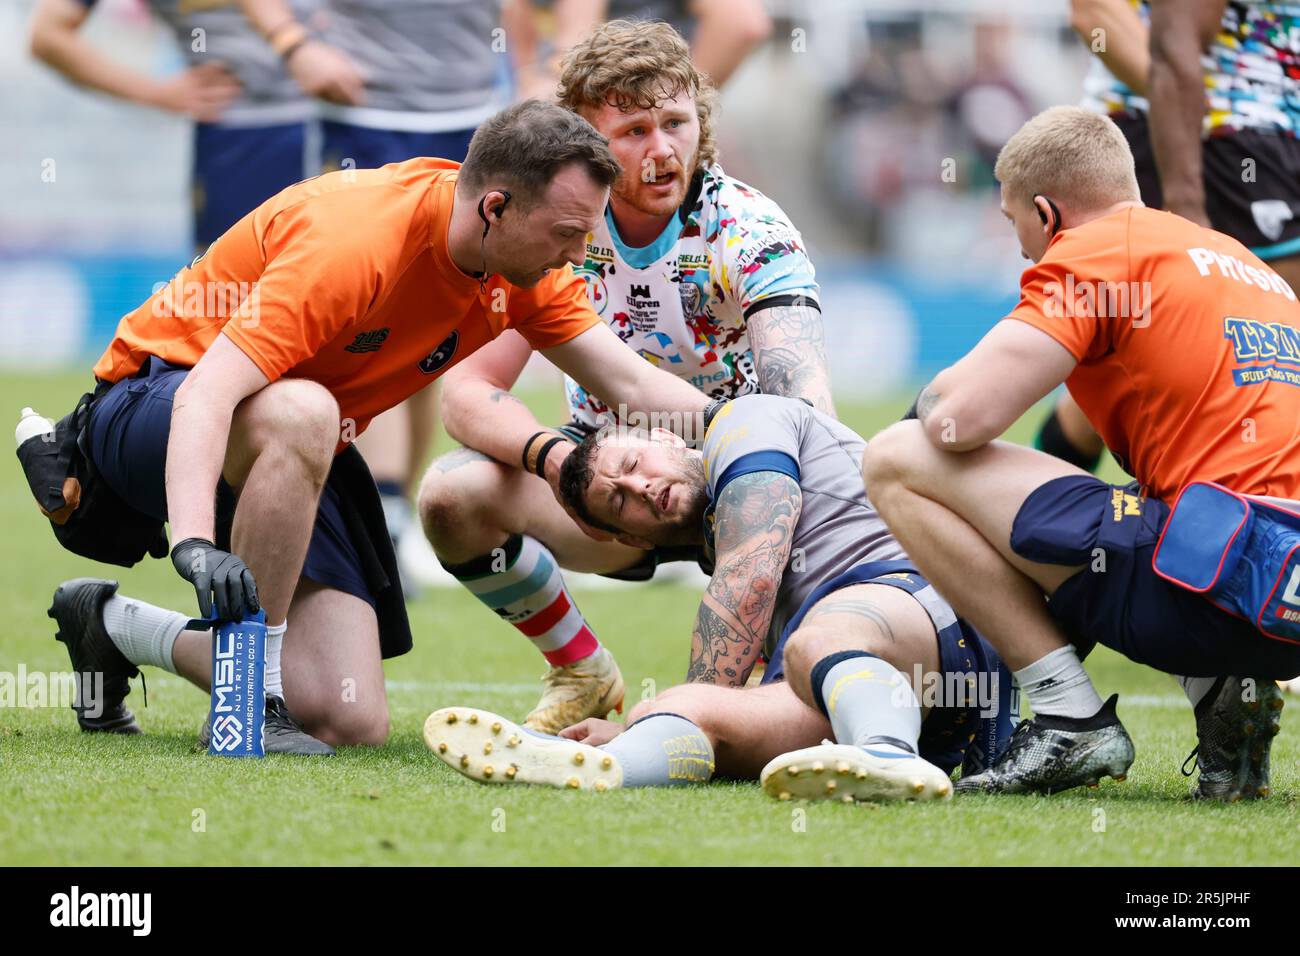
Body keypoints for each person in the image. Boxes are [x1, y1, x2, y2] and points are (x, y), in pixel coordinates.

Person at [42, 101, 711, 754]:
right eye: (566, 231)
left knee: (345, 716)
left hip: (292, 446)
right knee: (305, 410)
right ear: (496, 207)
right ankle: (254, 700)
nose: (576, 254)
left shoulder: (527, 272)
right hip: (152, 402)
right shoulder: (354, 242)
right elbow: (207, 395)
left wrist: (755, 432)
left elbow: (631, 384)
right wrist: (192, 542)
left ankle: (109, 625)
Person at [861, 105, 1299, 800]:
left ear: (1047, 213)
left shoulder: (1095, 251)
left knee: (896, 457)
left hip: (1216, 587)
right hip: (1282, 596)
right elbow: (1076, 434)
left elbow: (963, 422)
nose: (1024, 251)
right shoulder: (1235, 263)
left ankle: (1070, 714)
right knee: (1150, 506)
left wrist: (930, 403)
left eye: (1016, 227)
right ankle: (1224, 689)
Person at [418, 20, 835, 737]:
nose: (663, 149)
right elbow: (465, 393)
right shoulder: (558, 229)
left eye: (676, 123)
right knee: (452, 497)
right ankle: (581, 668)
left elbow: (805, 413)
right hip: (609, 497)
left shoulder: (748, 228)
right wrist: (559, 463)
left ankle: (701, 717)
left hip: (745, 493)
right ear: (584, 141)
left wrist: (736, 481)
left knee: (788, 711)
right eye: (634, 130)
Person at [424, 394, 1016, 802]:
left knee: (816, 642)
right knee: (679, 712)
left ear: (663, 435)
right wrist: (644, 724)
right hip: (868, 699)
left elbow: (751, 578)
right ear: (631, 539)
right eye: (621, 502)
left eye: (633, 462)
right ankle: (584, 767)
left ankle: (886, 755)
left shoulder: (746, 422)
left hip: (931, 619)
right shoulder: (706, 530)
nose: (641, 486)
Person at [1041, 0, 1300, 476]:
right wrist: (1188, 213)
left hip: (1255, 134)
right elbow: (1106, 17)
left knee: (1118, 377)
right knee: (1268, 347)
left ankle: (1029, 515)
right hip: (1219, 137)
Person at [29, 0, 314, 252]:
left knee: (351, 288)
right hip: (244, 137)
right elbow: (47, 35)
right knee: (235, 300)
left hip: (350, 114)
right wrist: (155, 92)